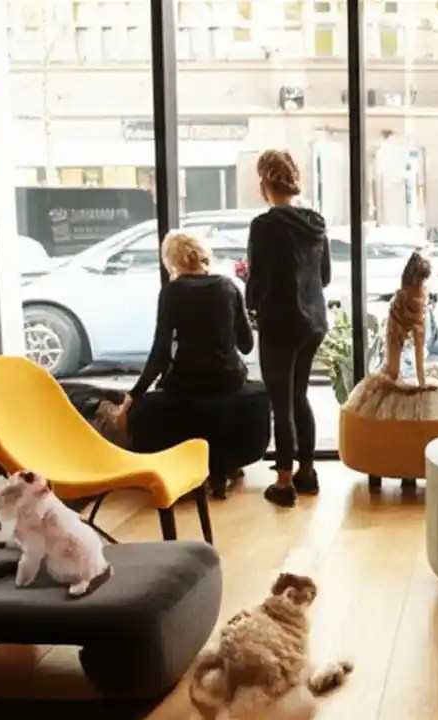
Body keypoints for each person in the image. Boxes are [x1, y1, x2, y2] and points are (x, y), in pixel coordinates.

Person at [245, 149, 332, 507]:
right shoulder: (316, 221)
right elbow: (324, 276)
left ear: (264, 183)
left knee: (280, 402)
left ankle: (284, 482)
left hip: (280, 321)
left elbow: (258, 282)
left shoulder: (265, 225)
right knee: (299, 397)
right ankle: (307, 472)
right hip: (314, 321)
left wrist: (251, 305)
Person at [127, 231, 253, 404]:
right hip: (229, 379)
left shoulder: (172, 291)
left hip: (187, 382)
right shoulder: (227, 287)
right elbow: (246, 346)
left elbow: (161, 352)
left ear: (170, 262)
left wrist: (134, 394)